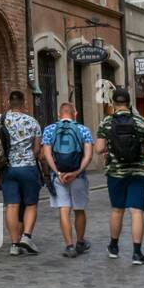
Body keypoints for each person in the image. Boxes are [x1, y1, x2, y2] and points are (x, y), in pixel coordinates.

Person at [96, 88, 144, 265]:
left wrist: (110, 148)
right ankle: (137, 253)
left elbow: (98, 148)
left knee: (117, 210)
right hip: (138, 172)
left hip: (116, 172)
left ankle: (113, 247)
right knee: (136, 211)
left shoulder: (106, 122)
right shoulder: (140, 121)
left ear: (113, 103)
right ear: (129, 103)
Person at [0, 90, 42, 256]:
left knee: (11, 205)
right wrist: (29, 157)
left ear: (8, 102)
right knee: (31, 204)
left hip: (7, 168)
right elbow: (37, 148)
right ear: (23, 103)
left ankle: (14, 244)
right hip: (28, 167)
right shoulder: (32, 122)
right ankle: (26, 236)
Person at [40, 102, 94, 258]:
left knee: (64, 209)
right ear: (75, 114)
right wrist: (76, 172)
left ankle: (69, 246)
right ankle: (80, 242)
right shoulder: (83, 130)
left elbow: (47, 155)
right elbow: (88, 156)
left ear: (59, 114)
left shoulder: (50, 130)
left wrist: (57, 172)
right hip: (78, 176)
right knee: (79, 209)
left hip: (59, 176)